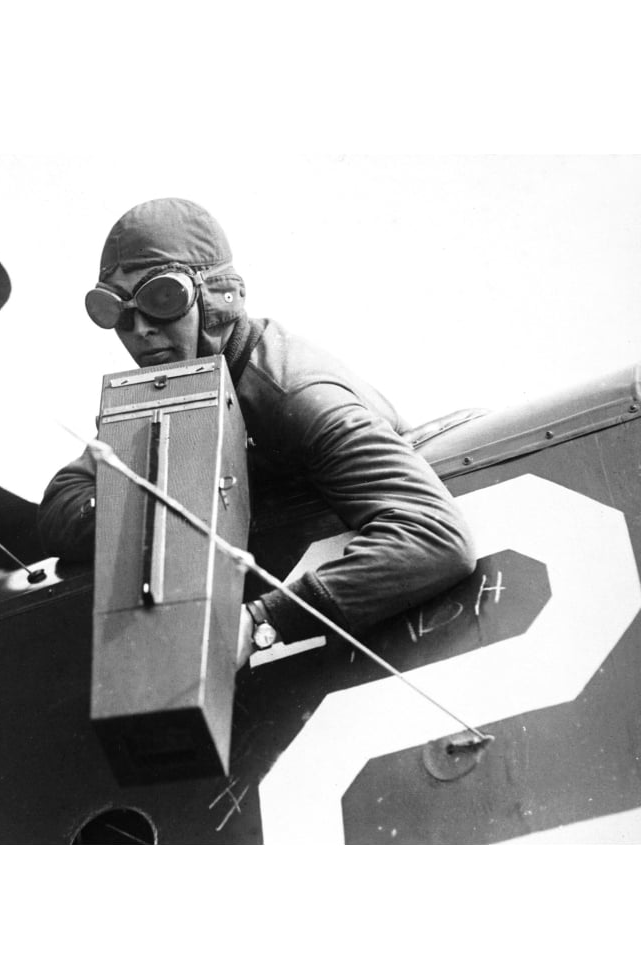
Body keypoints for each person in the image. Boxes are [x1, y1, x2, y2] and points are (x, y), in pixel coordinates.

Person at [38, 198, 476, 665]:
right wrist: (172, 498)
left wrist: (260, 623)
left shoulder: (294, 392)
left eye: (162, 300)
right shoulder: (166, 388)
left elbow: (435, 537)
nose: (141, 329)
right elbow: (63, 501)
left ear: (214, 300)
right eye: (119, 312)